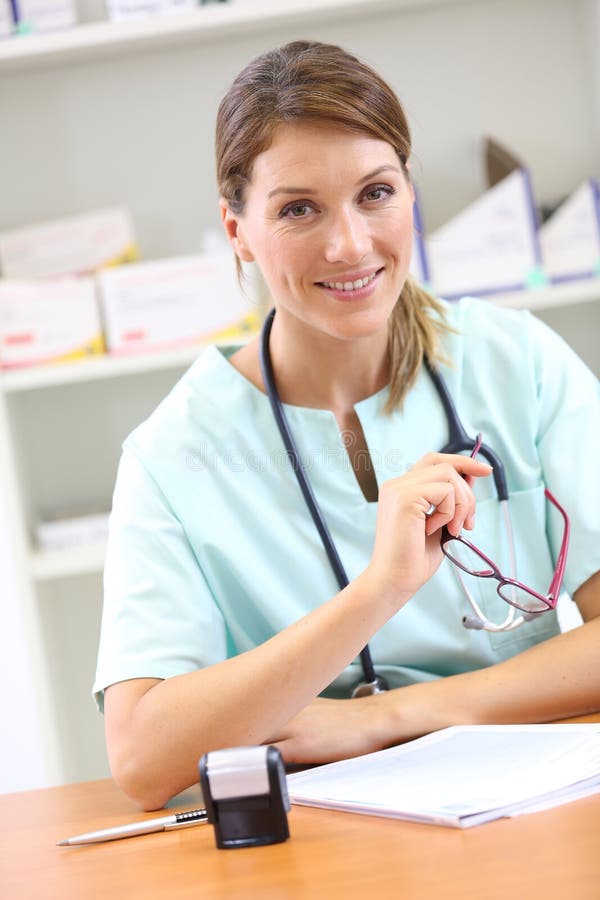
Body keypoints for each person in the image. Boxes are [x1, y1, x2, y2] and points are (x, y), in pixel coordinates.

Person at [94, 40, 600, 811]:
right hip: (314, 832)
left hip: (531, 805)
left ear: (409, 193)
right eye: (298, 209)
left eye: (376, 193)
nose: (350, 245)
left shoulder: (517, 363)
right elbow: (141, 758)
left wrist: (387, 719)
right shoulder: (173, 455)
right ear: (236, 230)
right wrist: (379, 590)